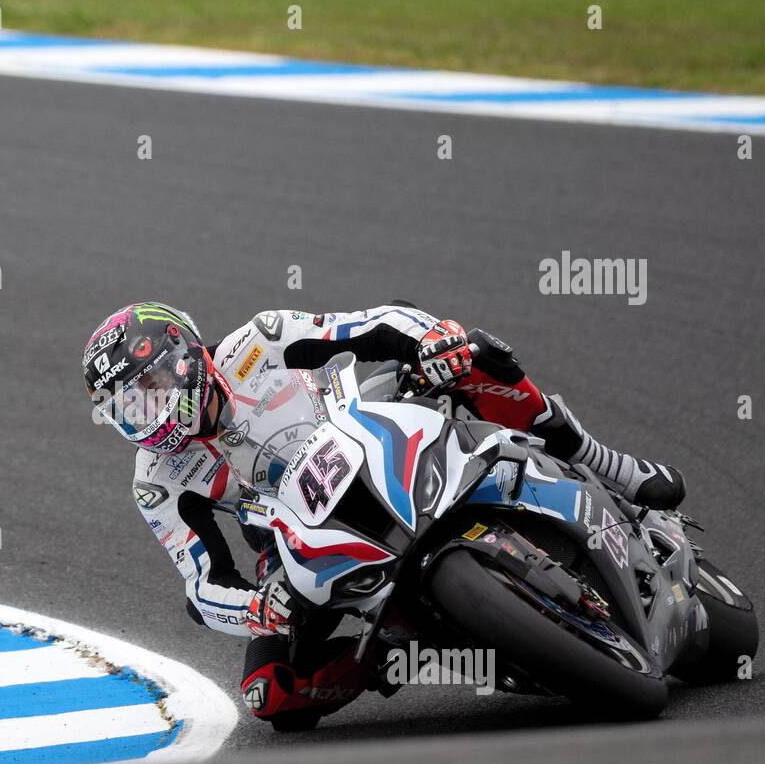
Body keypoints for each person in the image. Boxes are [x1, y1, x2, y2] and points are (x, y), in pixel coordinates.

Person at [82, 302, 684, 726]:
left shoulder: (258, 342)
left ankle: (608, 465)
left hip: (372, 428)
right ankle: (406, 648)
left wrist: (428, 339)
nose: (150, 412)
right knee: (270, 697)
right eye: (129, 408)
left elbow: (371, 325)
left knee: (472, 355)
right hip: (302, 534)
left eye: (154, 386)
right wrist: (258, 607)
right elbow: (202, 586)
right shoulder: (156, 481)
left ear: (185, 354)